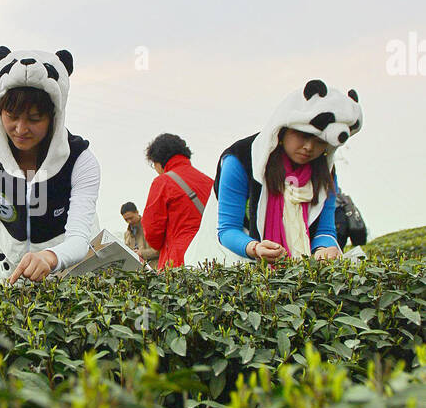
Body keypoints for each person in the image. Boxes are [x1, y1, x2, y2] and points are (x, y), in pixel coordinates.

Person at [0, 46, 101, 283]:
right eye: (11, 116)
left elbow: (78, 239)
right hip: (4, 272)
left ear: (54, 116)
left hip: (68, 270)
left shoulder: (80, 160)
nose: (21, 129)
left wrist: (50, 257)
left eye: (34, 119)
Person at [187, 80, 363, 265]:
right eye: (303, 136)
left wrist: (323, 249)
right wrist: (255, 248)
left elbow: (325, 230)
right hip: (230, 262)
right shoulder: (241, 159)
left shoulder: (324, 171)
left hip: (294, 271)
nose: (309, 147)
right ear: (283, 129)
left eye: (320, 142)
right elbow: (227, 229)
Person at [139, 135, 213, 269]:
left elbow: (153, 232)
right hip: (211, 258)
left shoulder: (163, 182)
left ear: (158, 161)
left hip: (179, 261)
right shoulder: (210, 182)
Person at [120, 201, 159, 268]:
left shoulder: (152, 226)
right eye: (126, 220)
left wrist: (142, 253)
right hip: (139, 273)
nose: (129, 221)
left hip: (156, 270)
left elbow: (161, 250)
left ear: (137, 212)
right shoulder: (127, 234)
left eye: (131, 218)